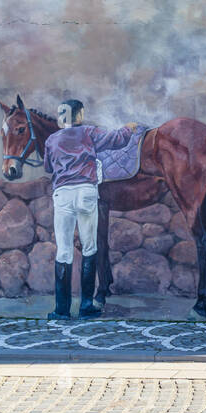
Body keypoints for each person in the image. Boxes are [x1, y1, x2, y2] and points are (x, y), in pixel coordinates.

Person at [42, 100, 137, 320]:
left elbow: (48, 167)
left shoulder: (51, 140)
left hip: (63, 194)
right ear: (80, 115)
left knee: (63, 251)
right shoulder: (89, 132)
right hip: (86, 191)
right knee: (89, 247)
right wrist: (128, 128)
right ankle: (86, 306)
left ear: (61, 117)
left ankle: (61, 310)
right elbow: (115, 140)